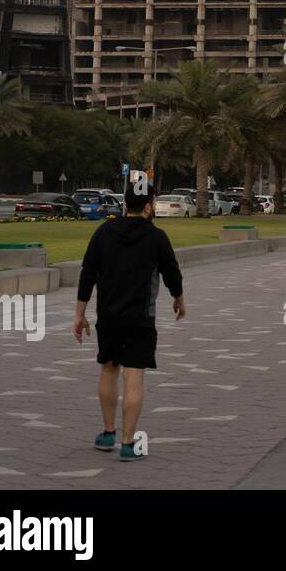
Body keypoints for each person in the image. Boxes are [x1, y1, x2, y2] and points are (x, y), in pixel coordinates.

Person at [73, 180, 185, 462]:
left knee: (108, 369)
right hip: (140, 318)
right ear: (148, 206)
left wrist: (80, 313)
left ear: (125, 204)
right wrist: (178, 298)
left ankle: (108, 432)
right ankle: (127, 442)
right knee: (134, 375)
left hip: (108, 316)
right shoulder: (156, 237)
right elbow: (172, 271)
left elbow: (88, 273)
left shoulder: (103, 232)